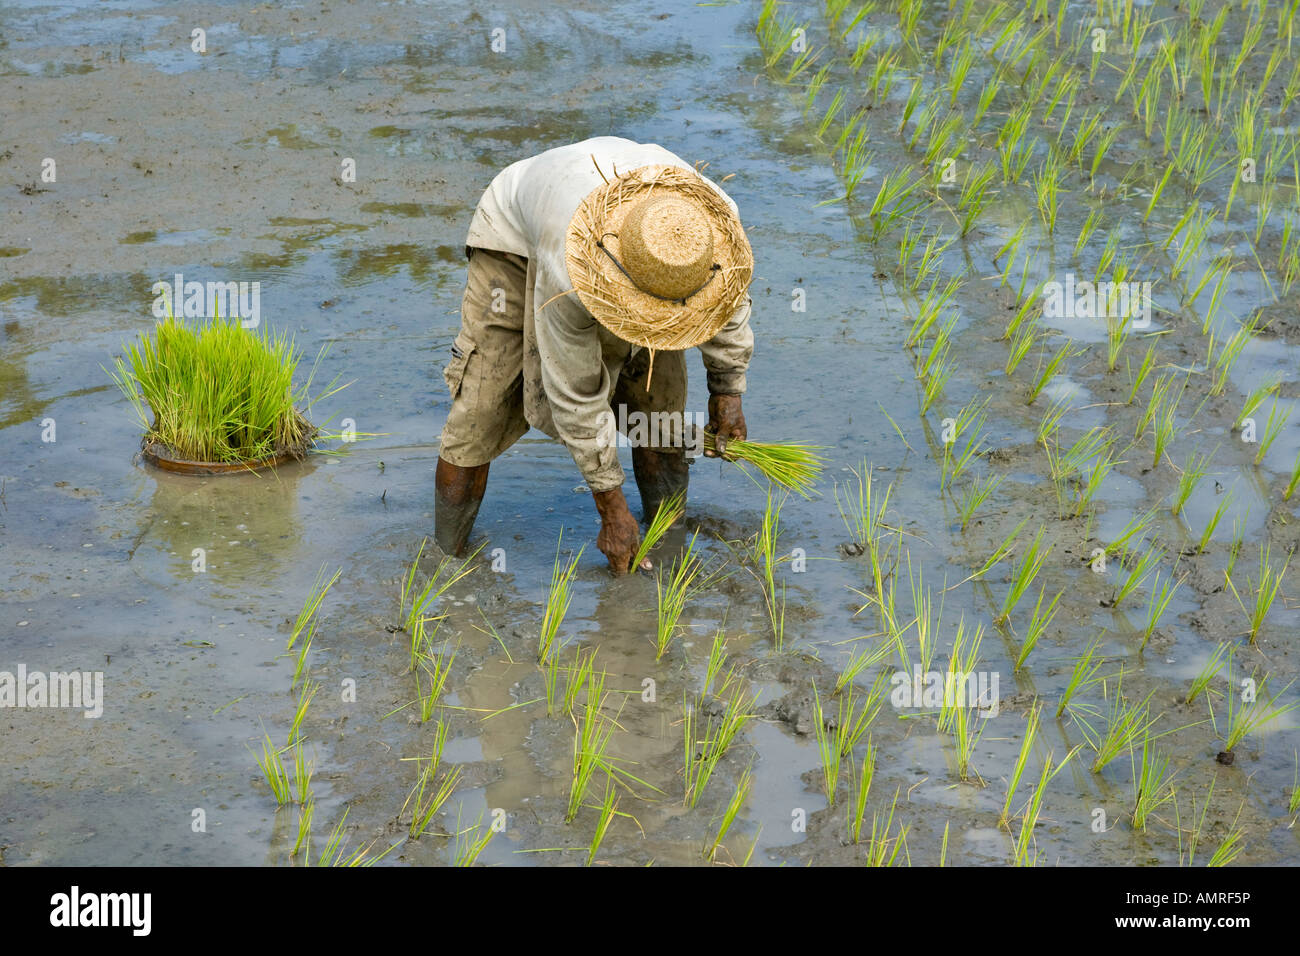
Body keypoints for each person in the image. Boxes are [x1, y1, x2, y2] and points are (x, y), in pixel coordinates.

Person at [435, 136, 754, 574]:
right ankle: (442, 564)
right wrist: (610, 508)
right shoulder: (569, 274)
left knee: (660, 413)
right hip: (516, 242)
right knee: (482, 406)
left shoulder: (709, 231)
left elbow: (728, 309)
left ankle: (666, 545)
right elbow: (575, 392)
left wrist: (727, 390)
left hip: (634, 240)